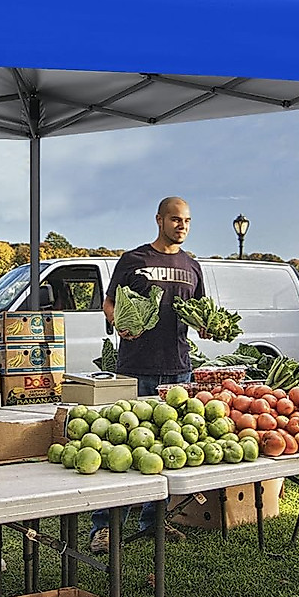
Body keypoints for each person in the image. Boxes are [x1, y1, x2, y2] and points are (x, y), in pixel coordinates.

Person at [87, 196, 206, 555]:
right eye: (174, 219)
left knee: (166, 445)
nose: (181, 225)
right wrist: (118, 322)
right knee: (120, 445)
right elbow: (109, 302)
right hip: (136, 366)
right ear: (159, 220)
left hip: (178, 368)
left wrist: (208, 326)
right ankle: (105, 527)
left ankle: (155, 520)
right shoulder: (134, 260)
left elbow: (200, 310)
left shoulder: (192, 266)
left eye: (186, 220)